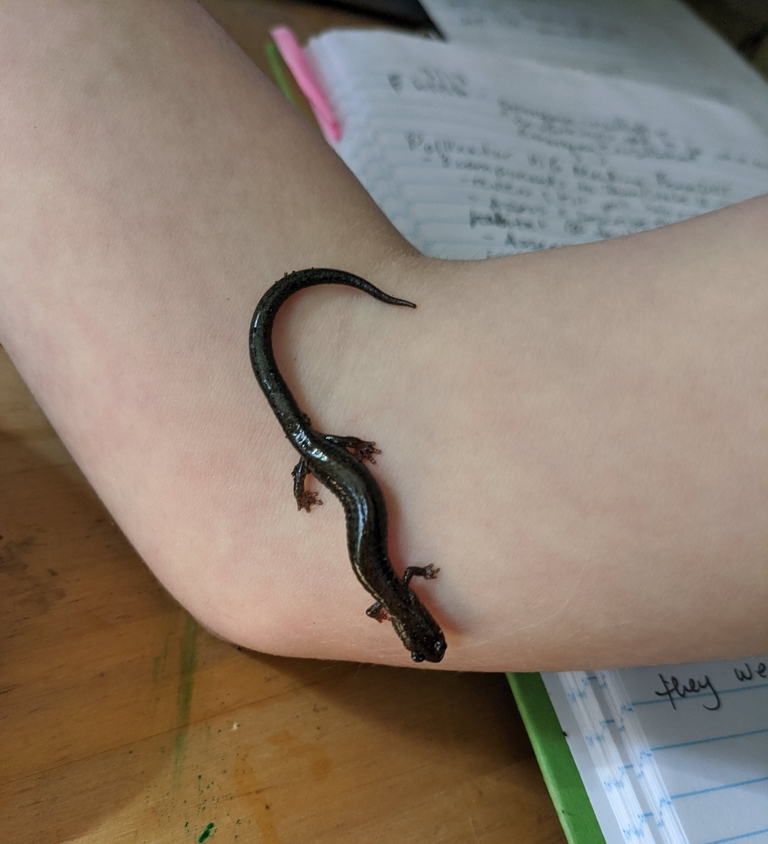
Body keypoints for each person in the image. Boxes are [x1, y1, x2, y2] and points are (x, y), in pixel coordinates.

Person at [1, 0, 766, 671]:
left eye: (421, 639)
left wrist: (325, 467)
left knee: (302, 413)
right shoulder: (387, 586)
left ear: (411, 617)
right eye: (420, 637)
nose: (422, 633)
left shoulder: (386, 589)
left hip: (318, 454)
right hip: (316, 452)